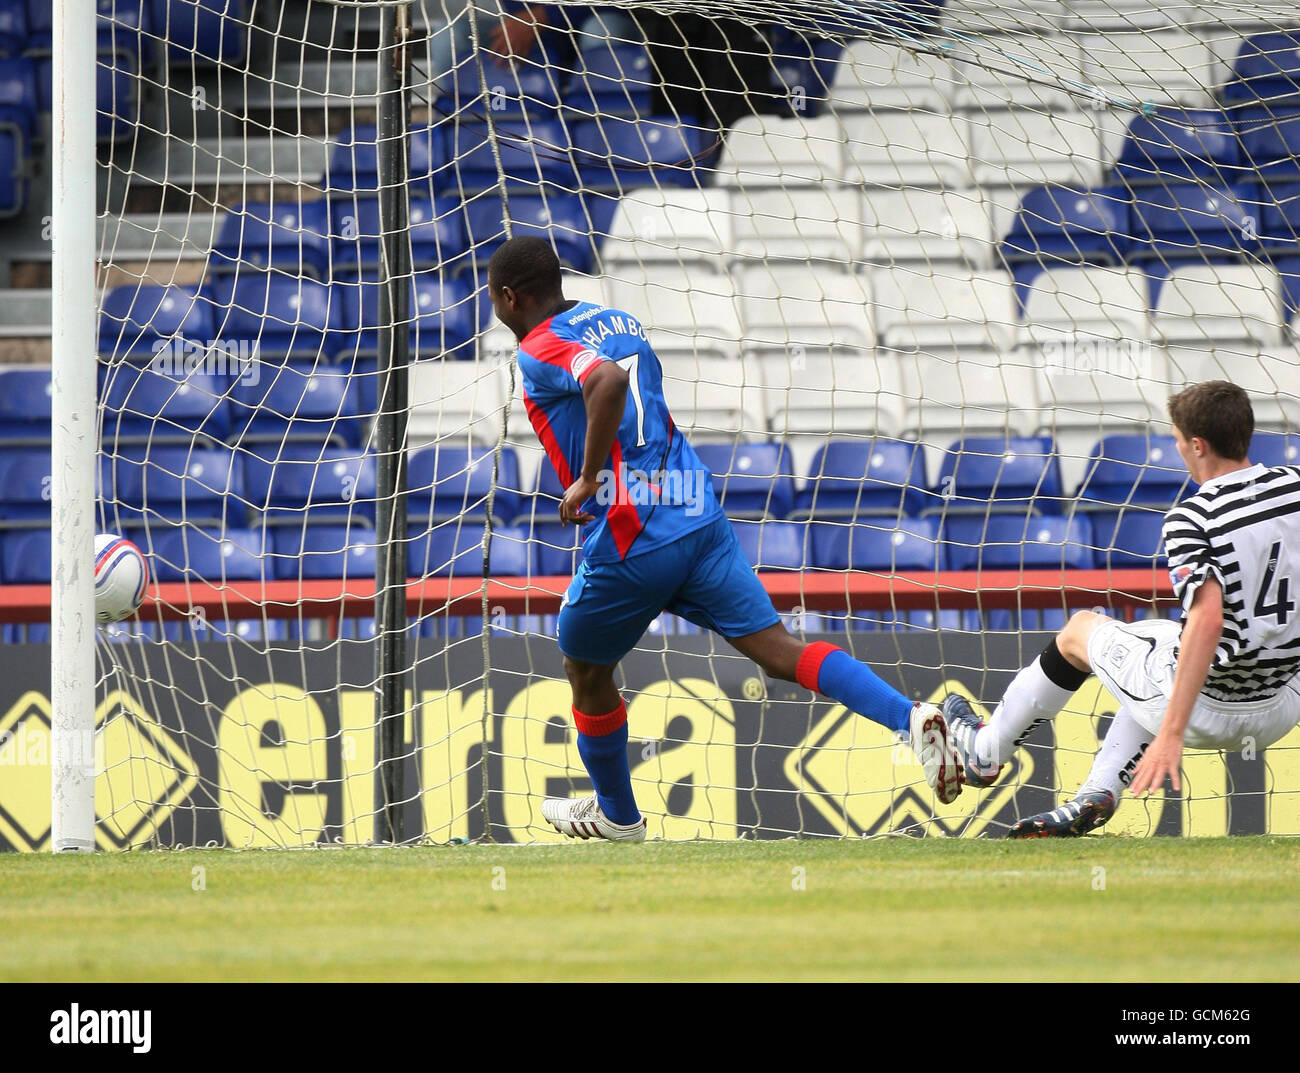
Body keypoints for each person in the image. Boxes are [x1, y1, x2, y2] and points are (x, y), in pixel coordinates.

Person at [486, 236, 963, 840]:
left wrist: (585, 478)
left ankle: (620, 817)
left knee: (584, 669)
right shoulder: (614, 316)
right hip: (697, 514)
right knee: (779, 650)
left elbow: (604, 383)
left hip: (633, 533)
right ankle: (911, 717)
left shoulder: (536, 348)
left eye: (494, 299)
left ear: (509, 296)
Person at [942, 380, 1300, 838]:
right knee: (1157, 645)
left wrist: (1170, 733)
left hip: (1207, 709)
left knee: (1079, 631)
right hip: (1280, 707)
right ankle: (1097, 793)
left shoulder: (1193, 518)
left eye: (1177, 441)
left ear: (1197, 444)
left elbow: (1208, 621)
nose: (1178, 451)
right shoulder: (1293, 488)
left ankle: (985, 753)